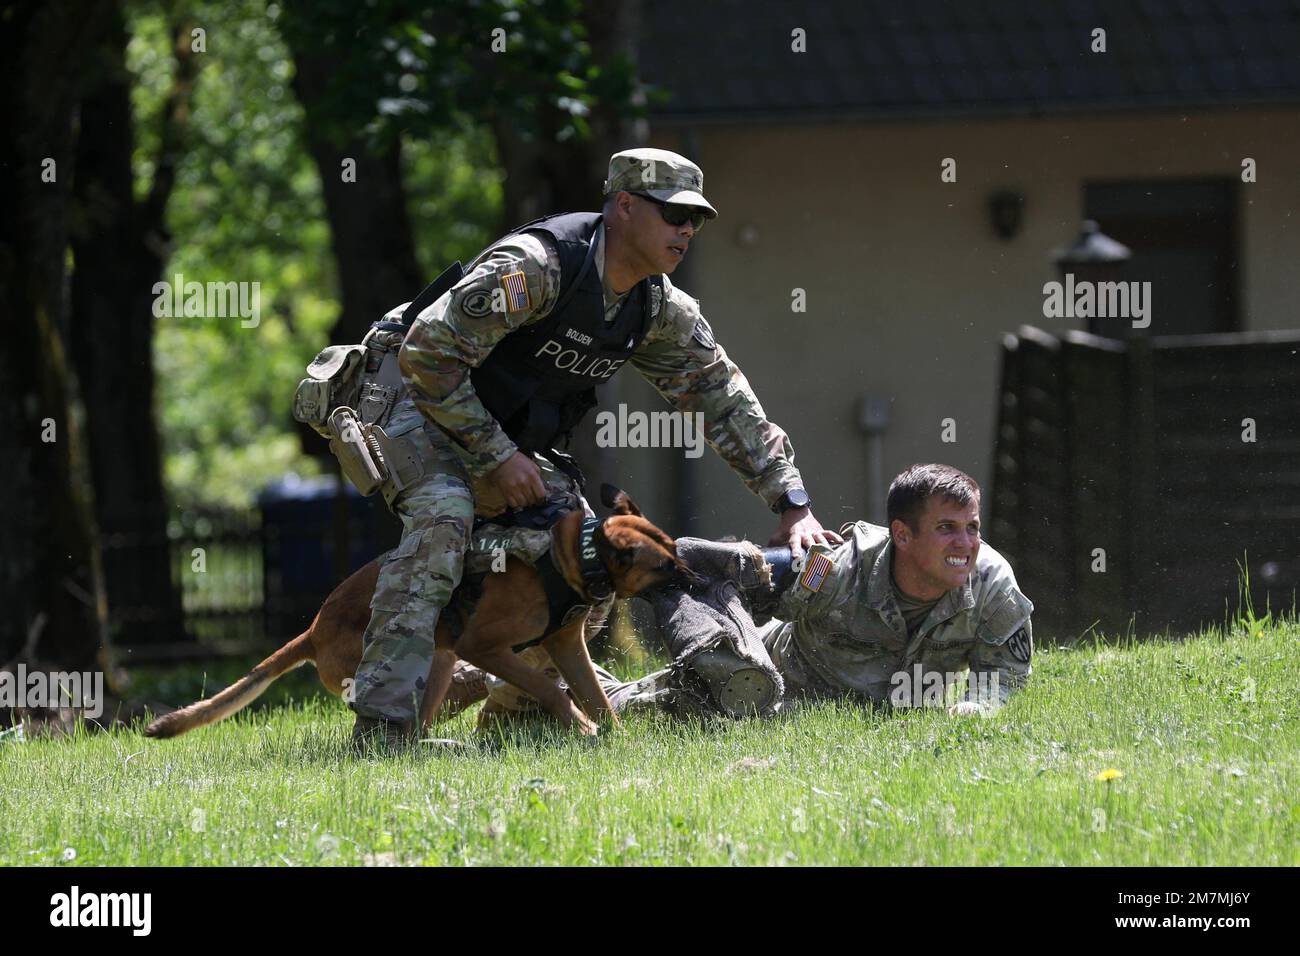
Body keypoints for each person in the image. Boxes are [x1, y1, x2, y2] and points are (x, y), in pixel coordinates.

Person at [349, 147, 841, 747]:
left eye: (696, 220)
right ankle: (385, 727)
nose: (686, 229)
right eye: (673, 213)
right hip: (406, 402)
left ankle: (518, 708)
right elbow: (426, 354)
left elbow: (720, 397)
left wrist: (792, 505)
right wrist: (497, 457)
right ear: (625, 207)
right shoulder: (538, 268)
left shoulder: (655, 306)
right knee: (443, 518)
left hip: (498, 438)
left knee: (590, 556)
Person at [456, 464, 1034, 724]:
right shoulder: (837, 569)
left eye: (974, 526)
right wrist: (719, 636)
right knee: (628, 714)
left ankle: (513, 680)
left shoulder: (992, 585)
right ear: (902, 535)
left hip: (847, 711)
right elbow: (715, 569)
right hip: (759, 689)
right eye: (948, 529)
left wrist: (980, 707)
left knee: (598, 712)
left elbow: (1004, 677)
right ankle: (487, 671)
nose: (967, 544)